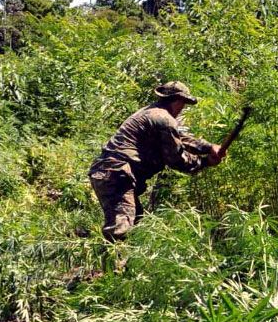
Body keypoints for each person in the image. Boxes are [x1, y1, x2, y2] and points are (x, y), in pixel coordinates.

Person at [88, 81, 225, 241]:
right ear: (178, 101)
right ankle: (110, 265)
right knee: (121, 229)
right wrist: (205, 162)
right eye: (183, 104)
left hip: (110, 172)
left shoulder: (151, 113)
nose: (182, 109)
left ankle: (123, 264)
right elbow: (176, 160)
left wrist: (209, 147)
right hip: (117, 175)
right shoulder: (164, 120)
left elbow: (180, 139)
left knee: (137, 224)